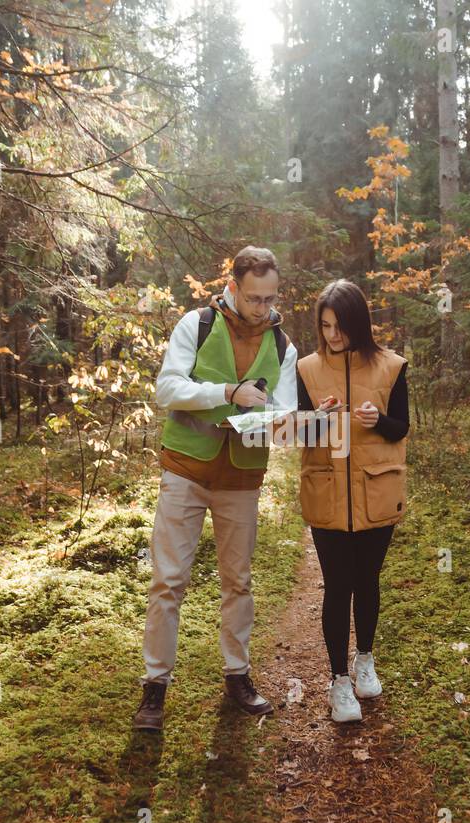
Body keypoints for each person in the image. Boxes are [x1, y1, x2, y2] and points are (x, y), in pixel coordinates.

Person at [133, 246, 299, 732]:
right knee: (168, 580)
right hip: (186, 469)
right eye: (253, 298)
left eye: (270, 298)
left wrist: (296, 421)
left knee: (239, 582)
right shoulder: (196, 325)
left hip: (242, 478)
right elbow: (166, 389)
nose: (262, 308)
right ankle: (154, 689)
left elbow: (284, 411)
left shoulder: (283, 344)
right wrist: (226, 394)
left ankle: (237, 677)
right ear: (232, 286)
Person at [295, 279, 409, 723]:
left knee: (368, 580)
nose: (332, 336)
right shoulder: (306, 368)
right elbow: (298, 433)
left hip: (377, 493)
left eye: (340, 327)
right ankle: (339, 680)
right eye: (325, 327)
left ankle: (365, 660)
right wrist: (316, 419)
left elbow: (401, 426)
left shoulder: (392, 367)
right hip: (326, 494)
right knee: (337, 585)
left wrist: (378, 419)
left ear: (358, 324)